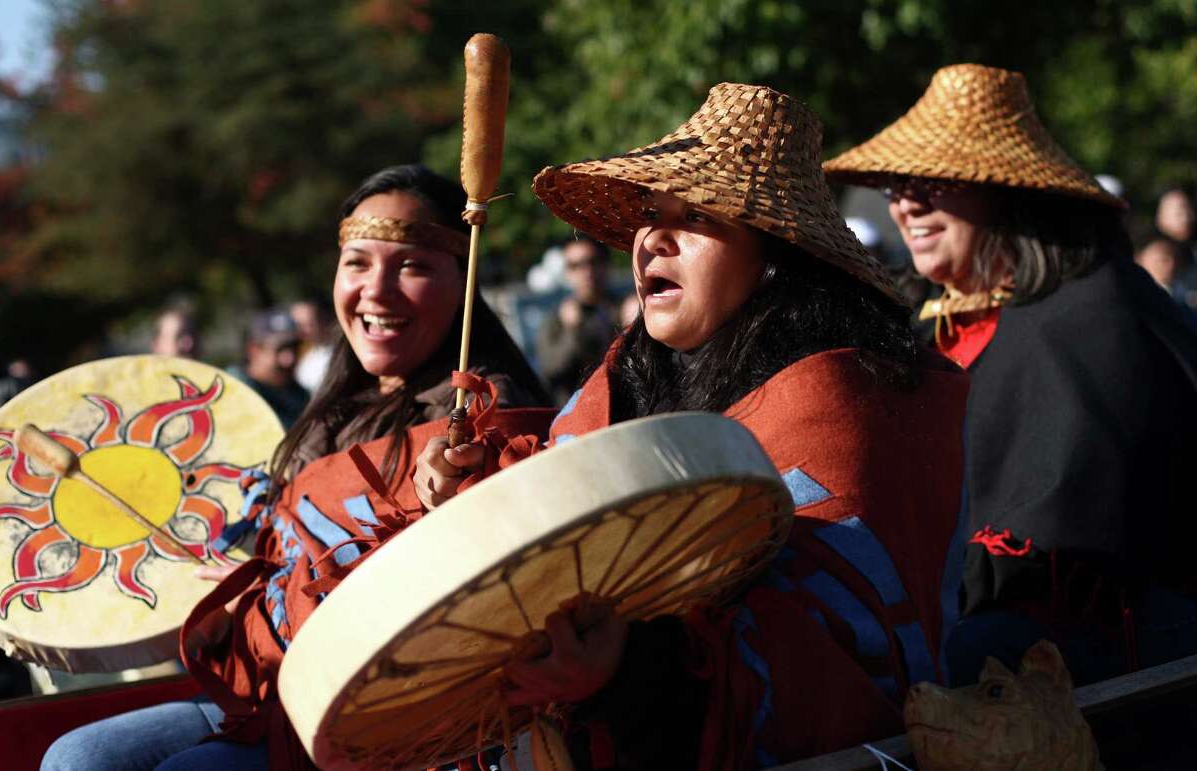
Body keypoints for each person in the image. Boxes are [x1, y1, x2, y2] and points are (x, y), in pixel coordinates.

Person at [415, 83, 969, 768]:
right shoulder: (631, 369)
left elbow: (816, 666)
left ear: (776, 255)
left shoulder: (846, 403)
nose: (652, 239)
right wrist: (476, 484)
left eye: (696, 215)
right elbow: (561, 495)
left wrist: (627, 666)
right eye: (650, 212)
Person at [40, 165, 551, 771]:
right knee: (76, 758)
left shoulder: (485, 414)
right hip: (265, 691)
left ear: (462, 283)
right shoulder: (332, 405)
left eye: (412, 266)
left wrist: (469, 495)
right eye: (357, 263)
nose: (377, 292)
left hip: (388, 724)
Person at [823, 63, 1197, 687]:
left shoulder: (1090, 312)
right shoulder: (938, 323)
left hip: (1111, 679)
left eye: (933, 182)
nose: (905, 204)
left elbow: (1066, 549)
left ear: (1004, 189)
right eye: (893, 185)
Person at [535, 236, 620, 405]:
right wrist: (571, 330)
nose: (586, 271)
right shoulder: (557, 320)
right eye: (575, 266)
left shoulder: (624, 309)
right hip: (577, 416)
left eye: (592, 261)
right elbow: (551, 371)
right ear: (567, 272)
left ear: (605, 264)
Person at [227, 309, 310, 429]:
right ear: (254, 350)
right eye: (281, 349)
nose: (290, 359)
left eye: (294, 348)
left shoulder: (301, 396)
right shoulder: (232, 393)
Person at [289, 299, 334, 394]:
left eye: (308, 325)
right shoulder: (297, 358)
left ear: (324, 321)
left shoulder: (344, 351)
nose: (301, 331)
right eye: (296, 325)